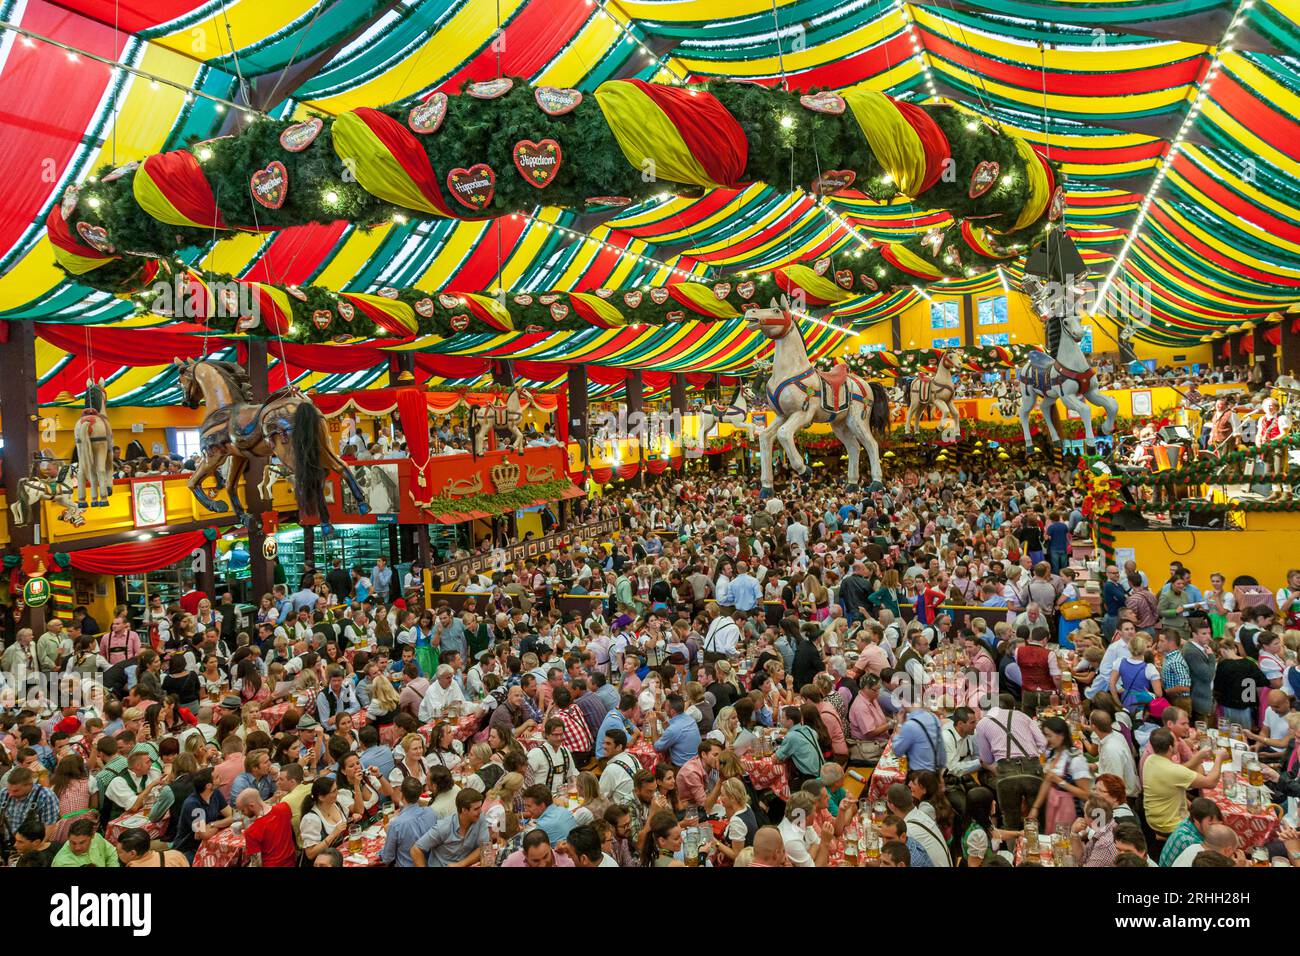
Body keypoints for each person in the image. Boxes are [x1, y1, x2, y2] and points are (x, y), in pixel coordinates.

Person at [1142, 728, 1225, 842]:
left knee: (1198, 804)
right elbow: (1211, 782)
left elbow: (1174, 778)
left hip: (1153, 820)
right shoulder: (1172, 770)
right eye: (1176, 741)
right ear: (1171, 748)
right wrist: (1219, 758)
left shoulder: (1150, 760)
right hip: (1169, 826)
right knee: (1213, 818)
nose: (1179, 742)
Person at [411, 788, 488, 867]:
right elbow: (416, 849)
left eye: (480, 807)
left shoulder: (479, 818)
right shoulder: (444, 827)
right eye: (476, 809)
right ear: (464, 810)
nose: (480, 811)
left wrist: (460, 864)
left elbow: (485, 846)